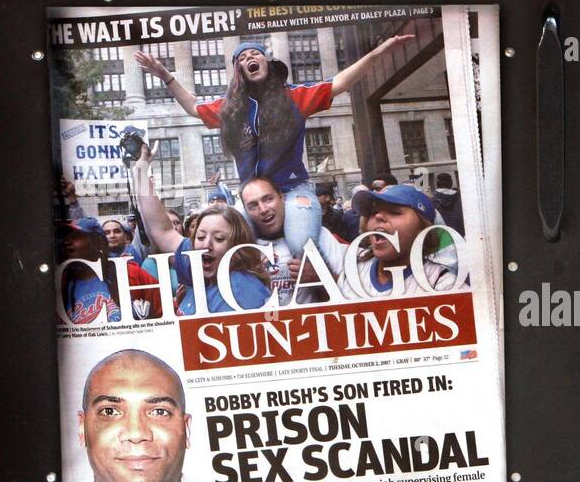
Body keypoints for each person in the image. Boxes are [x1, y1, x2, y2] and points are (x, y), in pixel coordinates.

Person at [134, 33, 414, 258]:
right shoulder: (230, 108)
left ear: (267, 63)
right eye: (242, 57)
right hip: (252, 196)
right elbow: (194, 107)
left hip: (293, 190)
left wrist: (379, 53)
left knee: (298, 244)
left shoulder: (294, 97)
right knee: (232, 246)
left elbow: (340, 82)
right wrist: (166, 76)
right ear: (238, 72)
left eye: (255, 53)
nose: (250, 58)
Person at [67, 349, 211, 482]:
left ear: (186, 429)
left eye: (159, 412)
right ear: (82, 428)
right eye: (110, 411)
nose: (136, 434)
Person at [132, 144, 272, 315]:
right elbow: (163, 231)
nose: (206, 244)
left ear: (237, 246)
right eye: (200, 236)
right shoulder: (199, 265)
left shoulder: (241, 290)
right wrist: (141, 169)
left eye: (219, 239)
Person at [240, 176, 349, 306]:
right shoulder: (245, 249)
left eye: (268, 199)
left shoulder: (319, 236)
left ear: (282, 198)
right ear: (246, 212)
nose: (263, 209)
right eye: (253, 206)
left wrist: (320, 277)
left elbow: (349, 294)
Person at [351, 184, 458, 297]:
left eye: (394, 212)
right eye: (373, 212)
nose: (378, 216)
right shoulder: (352, 274)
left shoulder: (443, 286)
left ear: (422, 228)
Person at [58, 217, 162, 324]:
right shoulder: (61, 284)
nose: (67, 242)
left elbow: (166, 314)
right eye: (66, 238)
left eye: (75, 237)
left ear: (97, 242)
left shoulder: (130, 272)